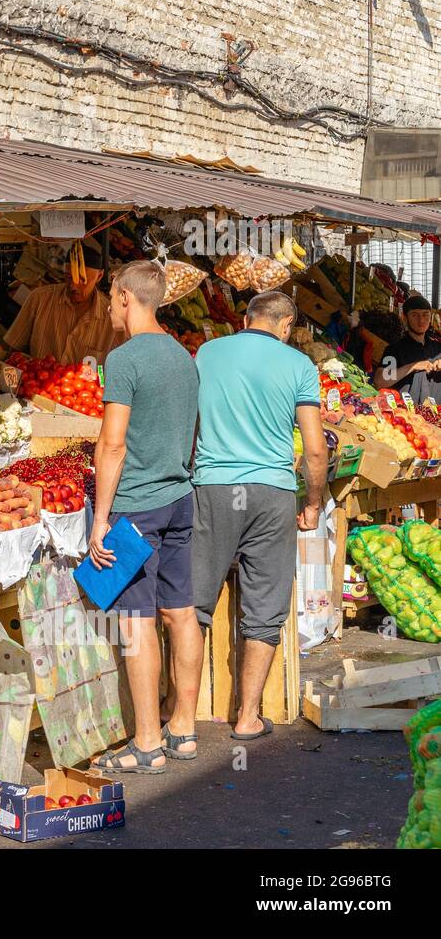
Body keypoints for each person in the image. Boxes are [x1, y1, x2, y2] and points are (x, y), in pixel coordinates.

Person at [192, 291, 328, 740]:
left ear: (246, 319)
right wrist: (312, 503)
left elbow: (190, 422)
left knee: (194, 604)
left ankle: (180, 717)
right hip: (271, 492)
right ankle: (248, 718)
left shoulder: (208, 353)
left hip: (212, 487)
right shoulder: (299, 366)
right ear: (286, 325)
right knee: (264, 609)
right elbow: (314, 449)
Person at [87, 261, 200, 775]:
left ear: (127, 297)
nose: (110, 307)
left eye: (111, 298)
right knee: (180, 613)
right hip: (181, 496)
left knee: (137, 622)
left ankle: (148, 742)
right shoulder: (183, 356)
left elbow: (111, 444)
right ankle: (185, 730)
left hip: (137, 504)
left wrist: (100, 520)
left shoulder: (124, 358)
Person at [4, 266, 125, 364]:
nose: (73, 286)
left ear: (99, 276)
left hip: (87, 392)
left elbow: (110, 373)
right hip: (37, 388)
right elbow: (13, 350)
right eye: (68, 277)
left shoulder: (114, 317)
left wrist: (99, 386)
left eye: (83, 279)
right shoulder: (39, 298)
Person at [375, 295, 441, 404]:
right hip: (407, 416)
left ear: (431, 318)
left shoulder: (438, 348)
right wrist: (414, 366)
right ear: (404, 317)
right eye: (415, 315)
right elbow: (380, 381)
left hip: (437, 416)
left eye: (425, 315)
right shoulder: (395, 349)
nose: (421, 320)